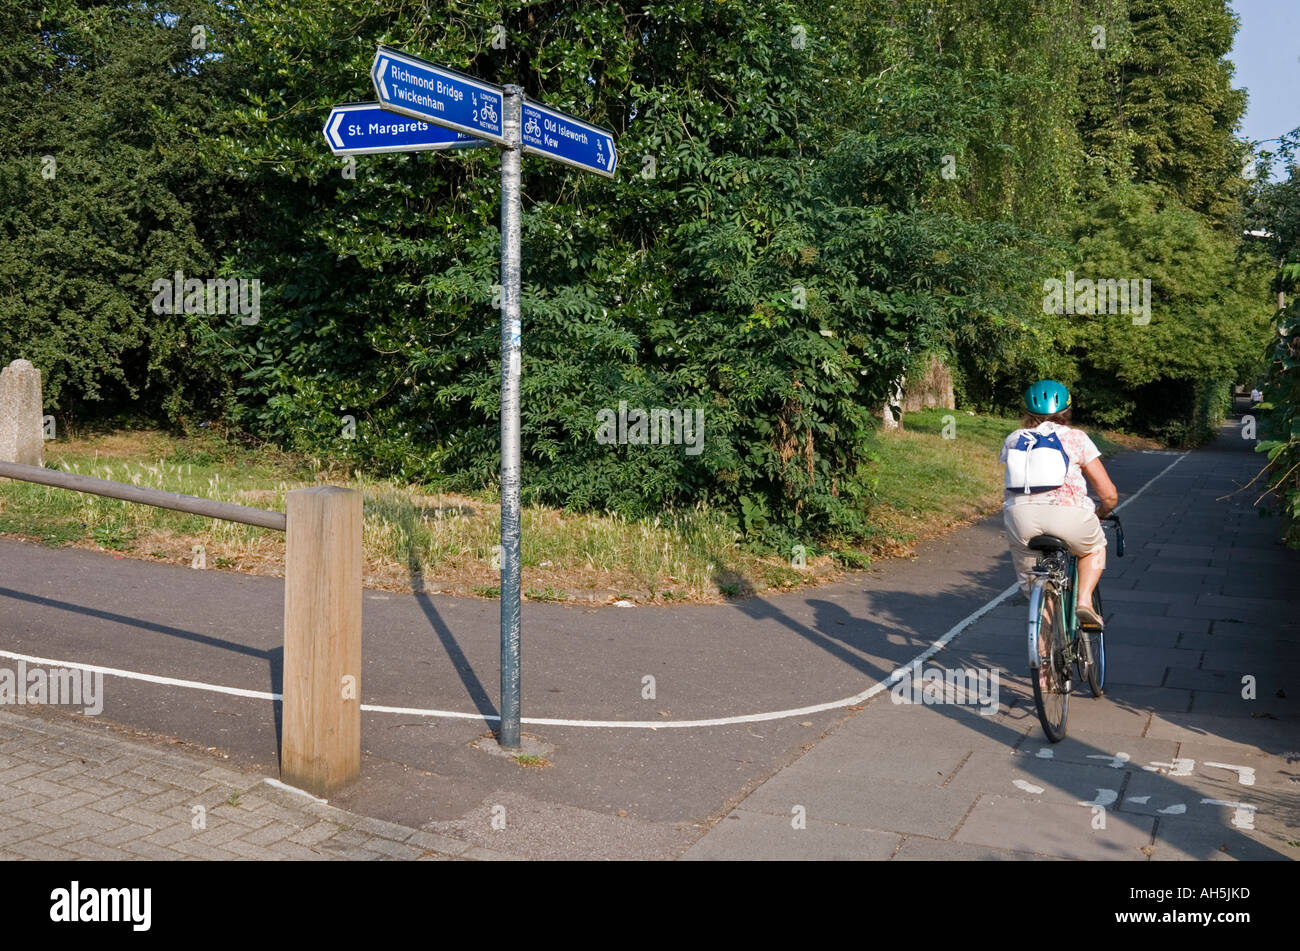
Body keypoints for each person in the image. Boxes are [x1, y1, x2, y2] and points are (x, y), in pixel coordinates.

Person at [1001, 380, 1118, 629]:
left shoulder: (1013, 439)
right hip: (1070, 516)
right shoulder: (1077, 438)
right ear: (1067, 410)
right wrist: (1101, 513)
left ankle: (1043, 666)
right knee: (1094, 548)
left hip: (1020, 520)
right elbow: (1109, 495)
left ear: (1027, 412)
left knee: (1039, 595)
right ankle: (1084, 601)